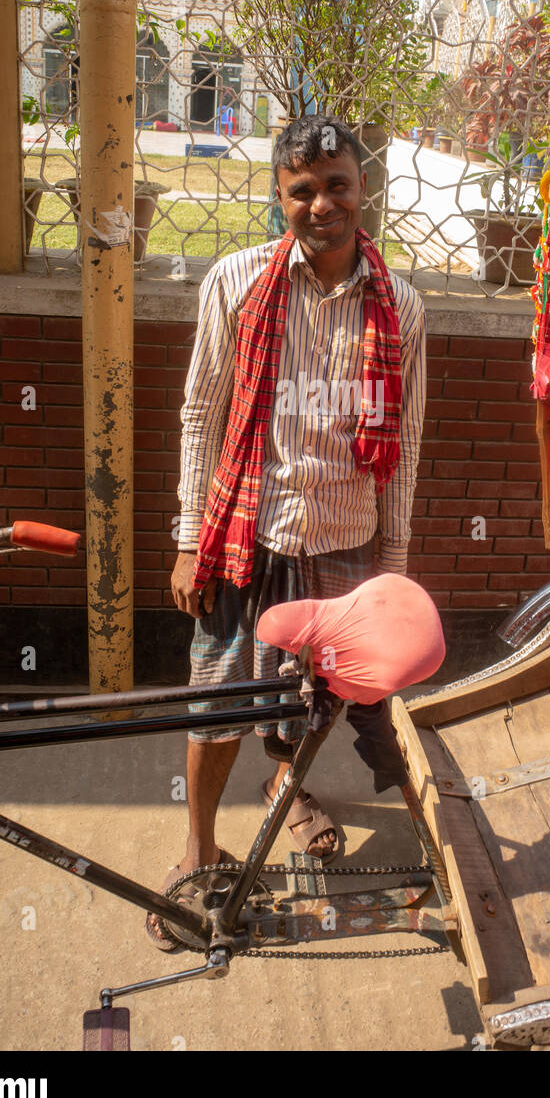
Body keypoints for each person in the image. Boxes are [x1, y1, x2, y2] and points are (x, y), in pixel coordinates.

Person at [146, 114, 426, 949]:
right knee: (217, 702)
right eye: (302, 191)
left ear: (361, 189)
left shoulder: (401, 305)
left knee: (314, 703)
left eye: (336, 185)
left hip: (343, 543)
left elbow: (404, 444)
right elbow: (201, 411)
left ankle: (285, 790)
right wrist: (189, 535)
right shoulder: (234, 283)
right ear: (281, 197)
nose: (321, 205)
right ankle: (199, 852)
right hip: (245, 540)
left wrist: (396, 570)